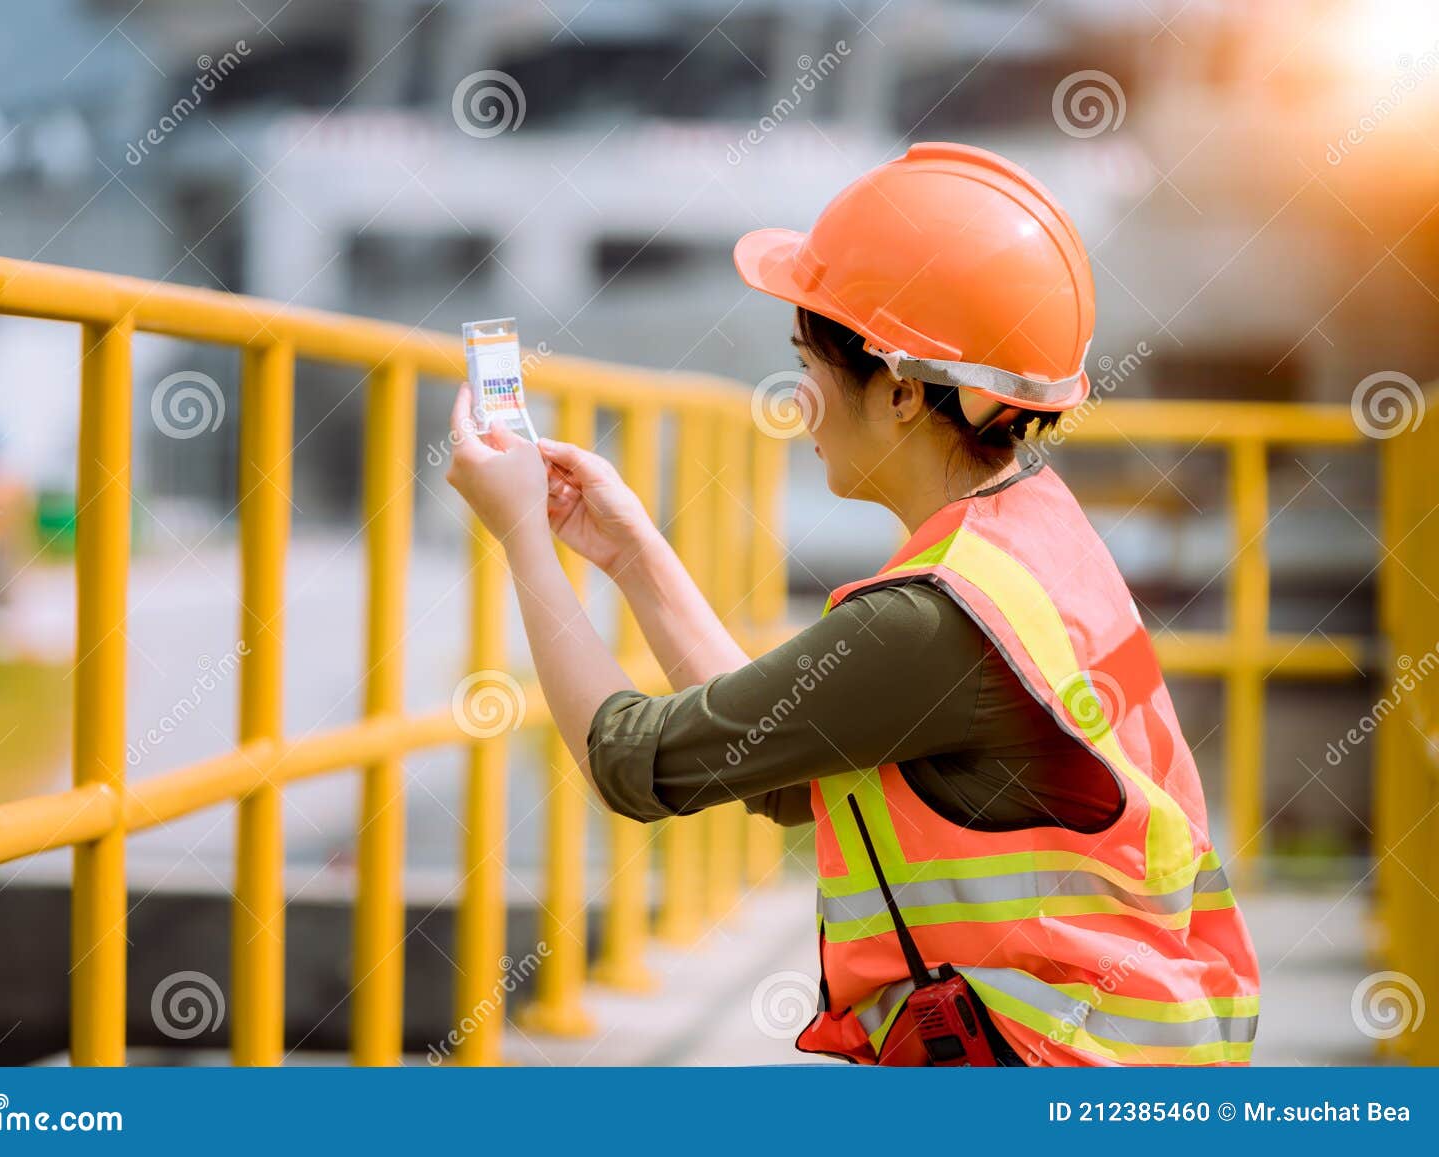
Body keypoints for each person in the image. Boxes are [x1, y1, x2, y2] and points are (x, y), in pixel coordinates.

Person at [445, 142, 1260, 1067]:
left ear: (903, 391)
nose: (799, 401)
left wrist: (519, 534)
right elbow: (778, 769)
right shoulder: (1028, 539)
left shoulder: (928, 622)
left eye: (810, 364)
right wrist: (630, 551)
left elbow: (630, 764)